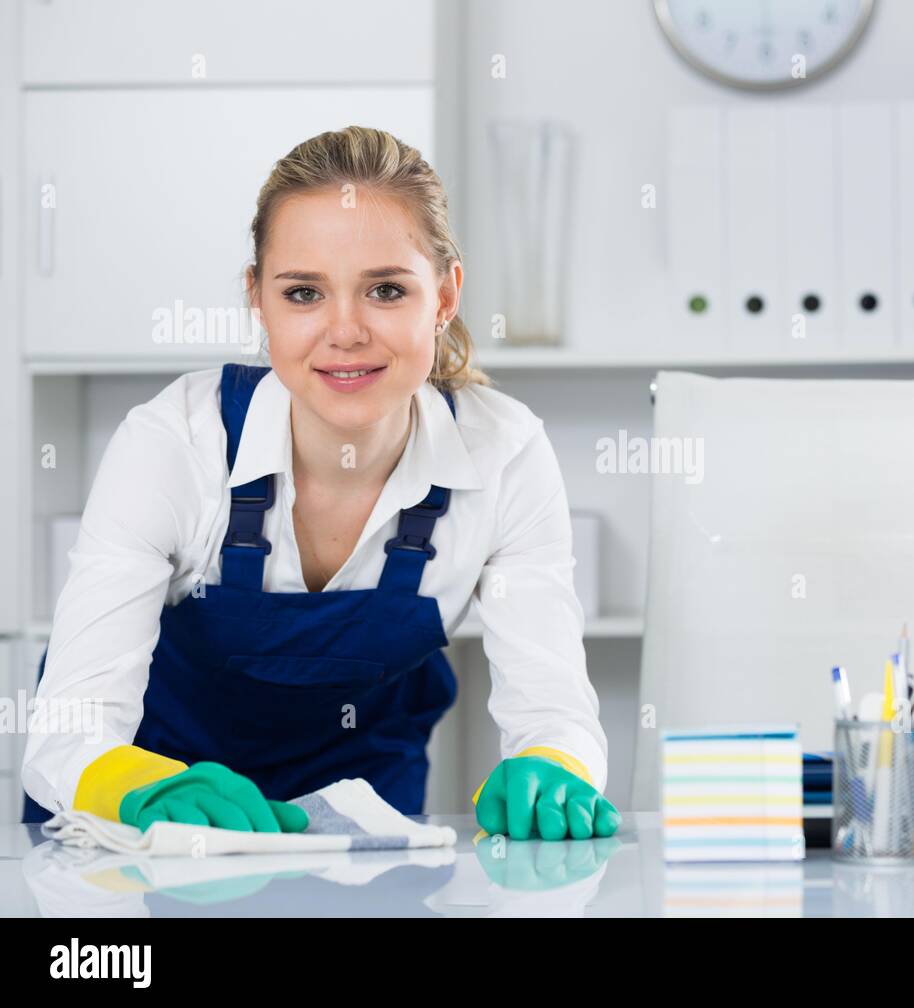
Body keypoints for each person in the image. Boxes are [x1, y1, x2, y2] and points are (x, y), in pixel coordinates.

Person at [21, 125, 619, 842]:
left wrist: (556, 765)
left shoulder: (504, 454)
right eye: (303, 292)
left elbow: (555, 710)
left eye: (387, 290)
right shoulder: (175, 444)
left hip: (362, 818)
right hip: (146, 827)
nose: (345, 332)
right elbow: (67, 727)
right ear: (258, 300)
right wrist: (138, 789)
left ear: (446, 296)